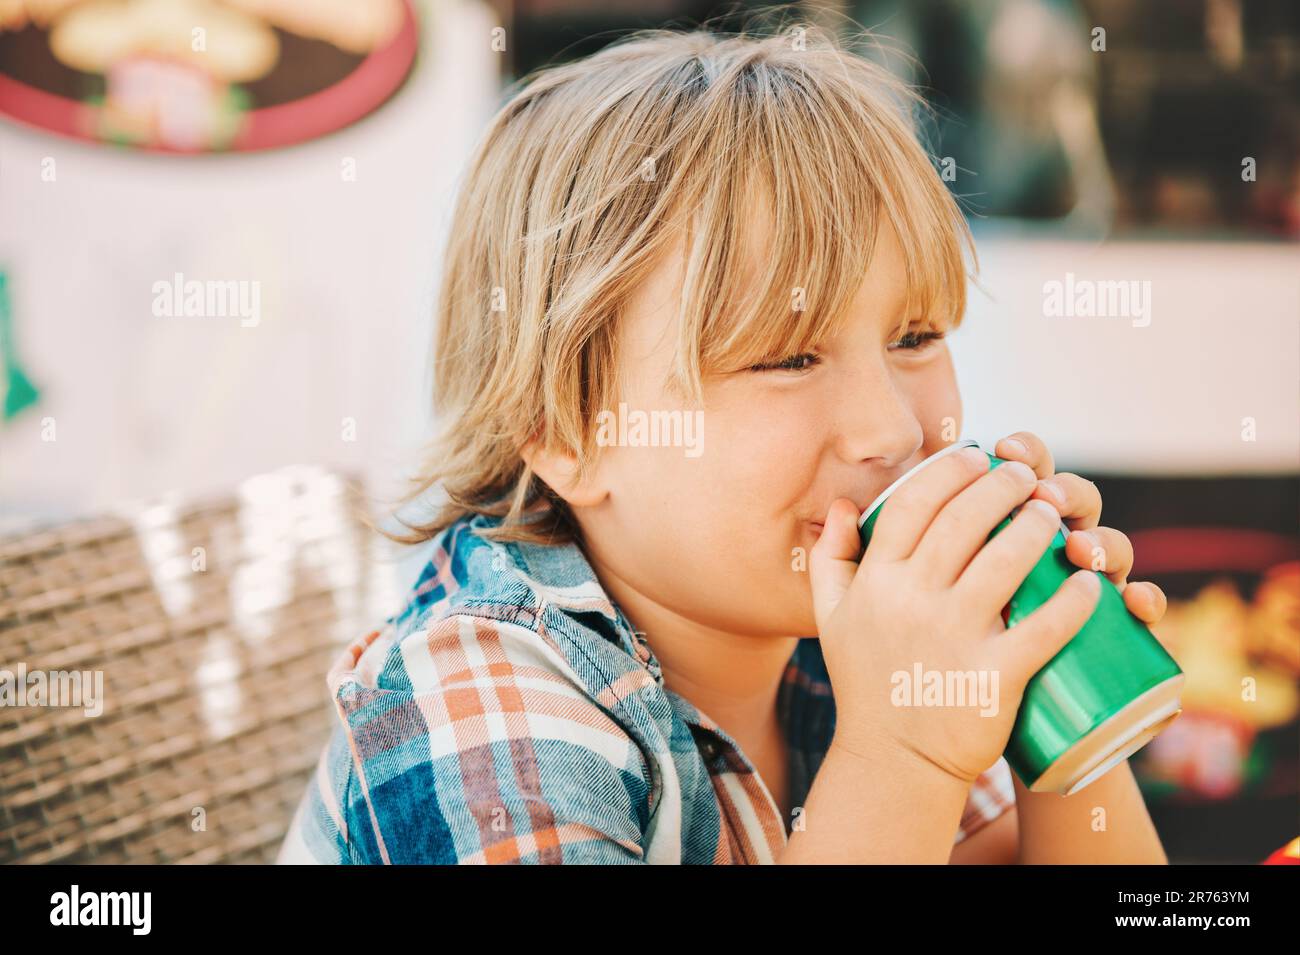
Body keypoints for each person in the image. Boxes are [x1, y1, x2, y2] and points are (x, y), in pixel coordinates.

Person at [277, 22, 1170, 864]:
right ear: (567, 433)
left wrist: (1063, 713)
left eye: (915, 337)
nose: (892, 429)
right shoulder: (473, 699)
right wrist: (903, 752)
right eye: (786, 357)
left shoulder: (867, 636)